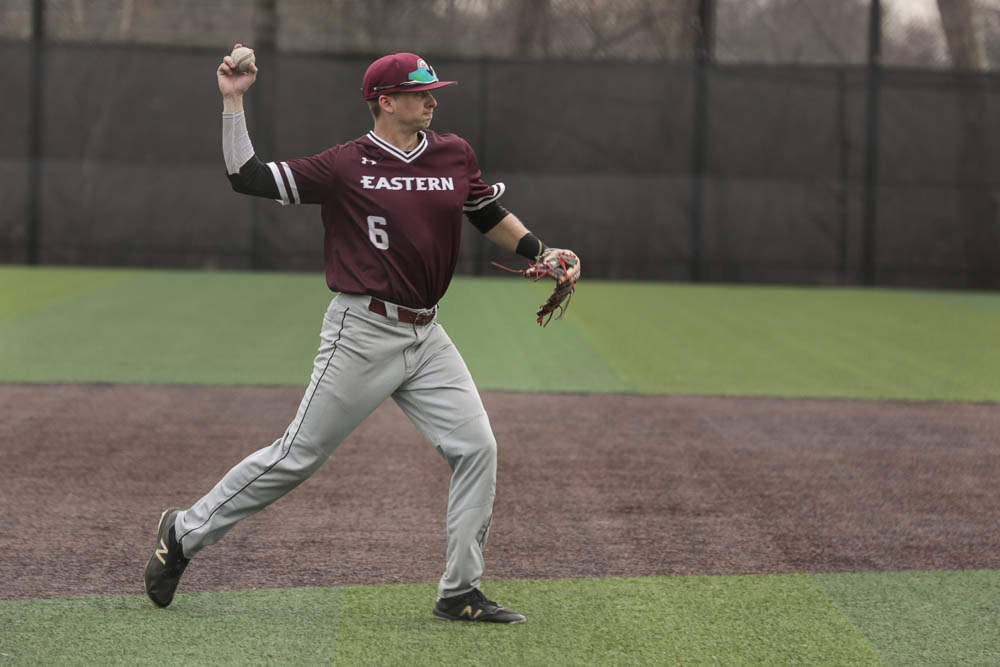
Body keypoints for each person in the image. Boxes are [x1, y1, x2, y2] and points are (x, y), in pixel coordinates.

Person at [143, 46, 580, 624]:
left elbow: (484, 212)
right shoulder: (345, 165)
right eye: (420, 92)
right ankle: (183, 532)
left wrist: (540, 250)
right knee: (296, 457)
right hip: (362, 329)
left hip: (426, 335)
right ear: (385, 101)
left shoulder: (453, 154)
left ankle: (459, 591)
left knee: (478, 449)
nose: (431, 99)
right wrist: (233, 100)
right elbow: (246, 176)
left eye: (433, 91)